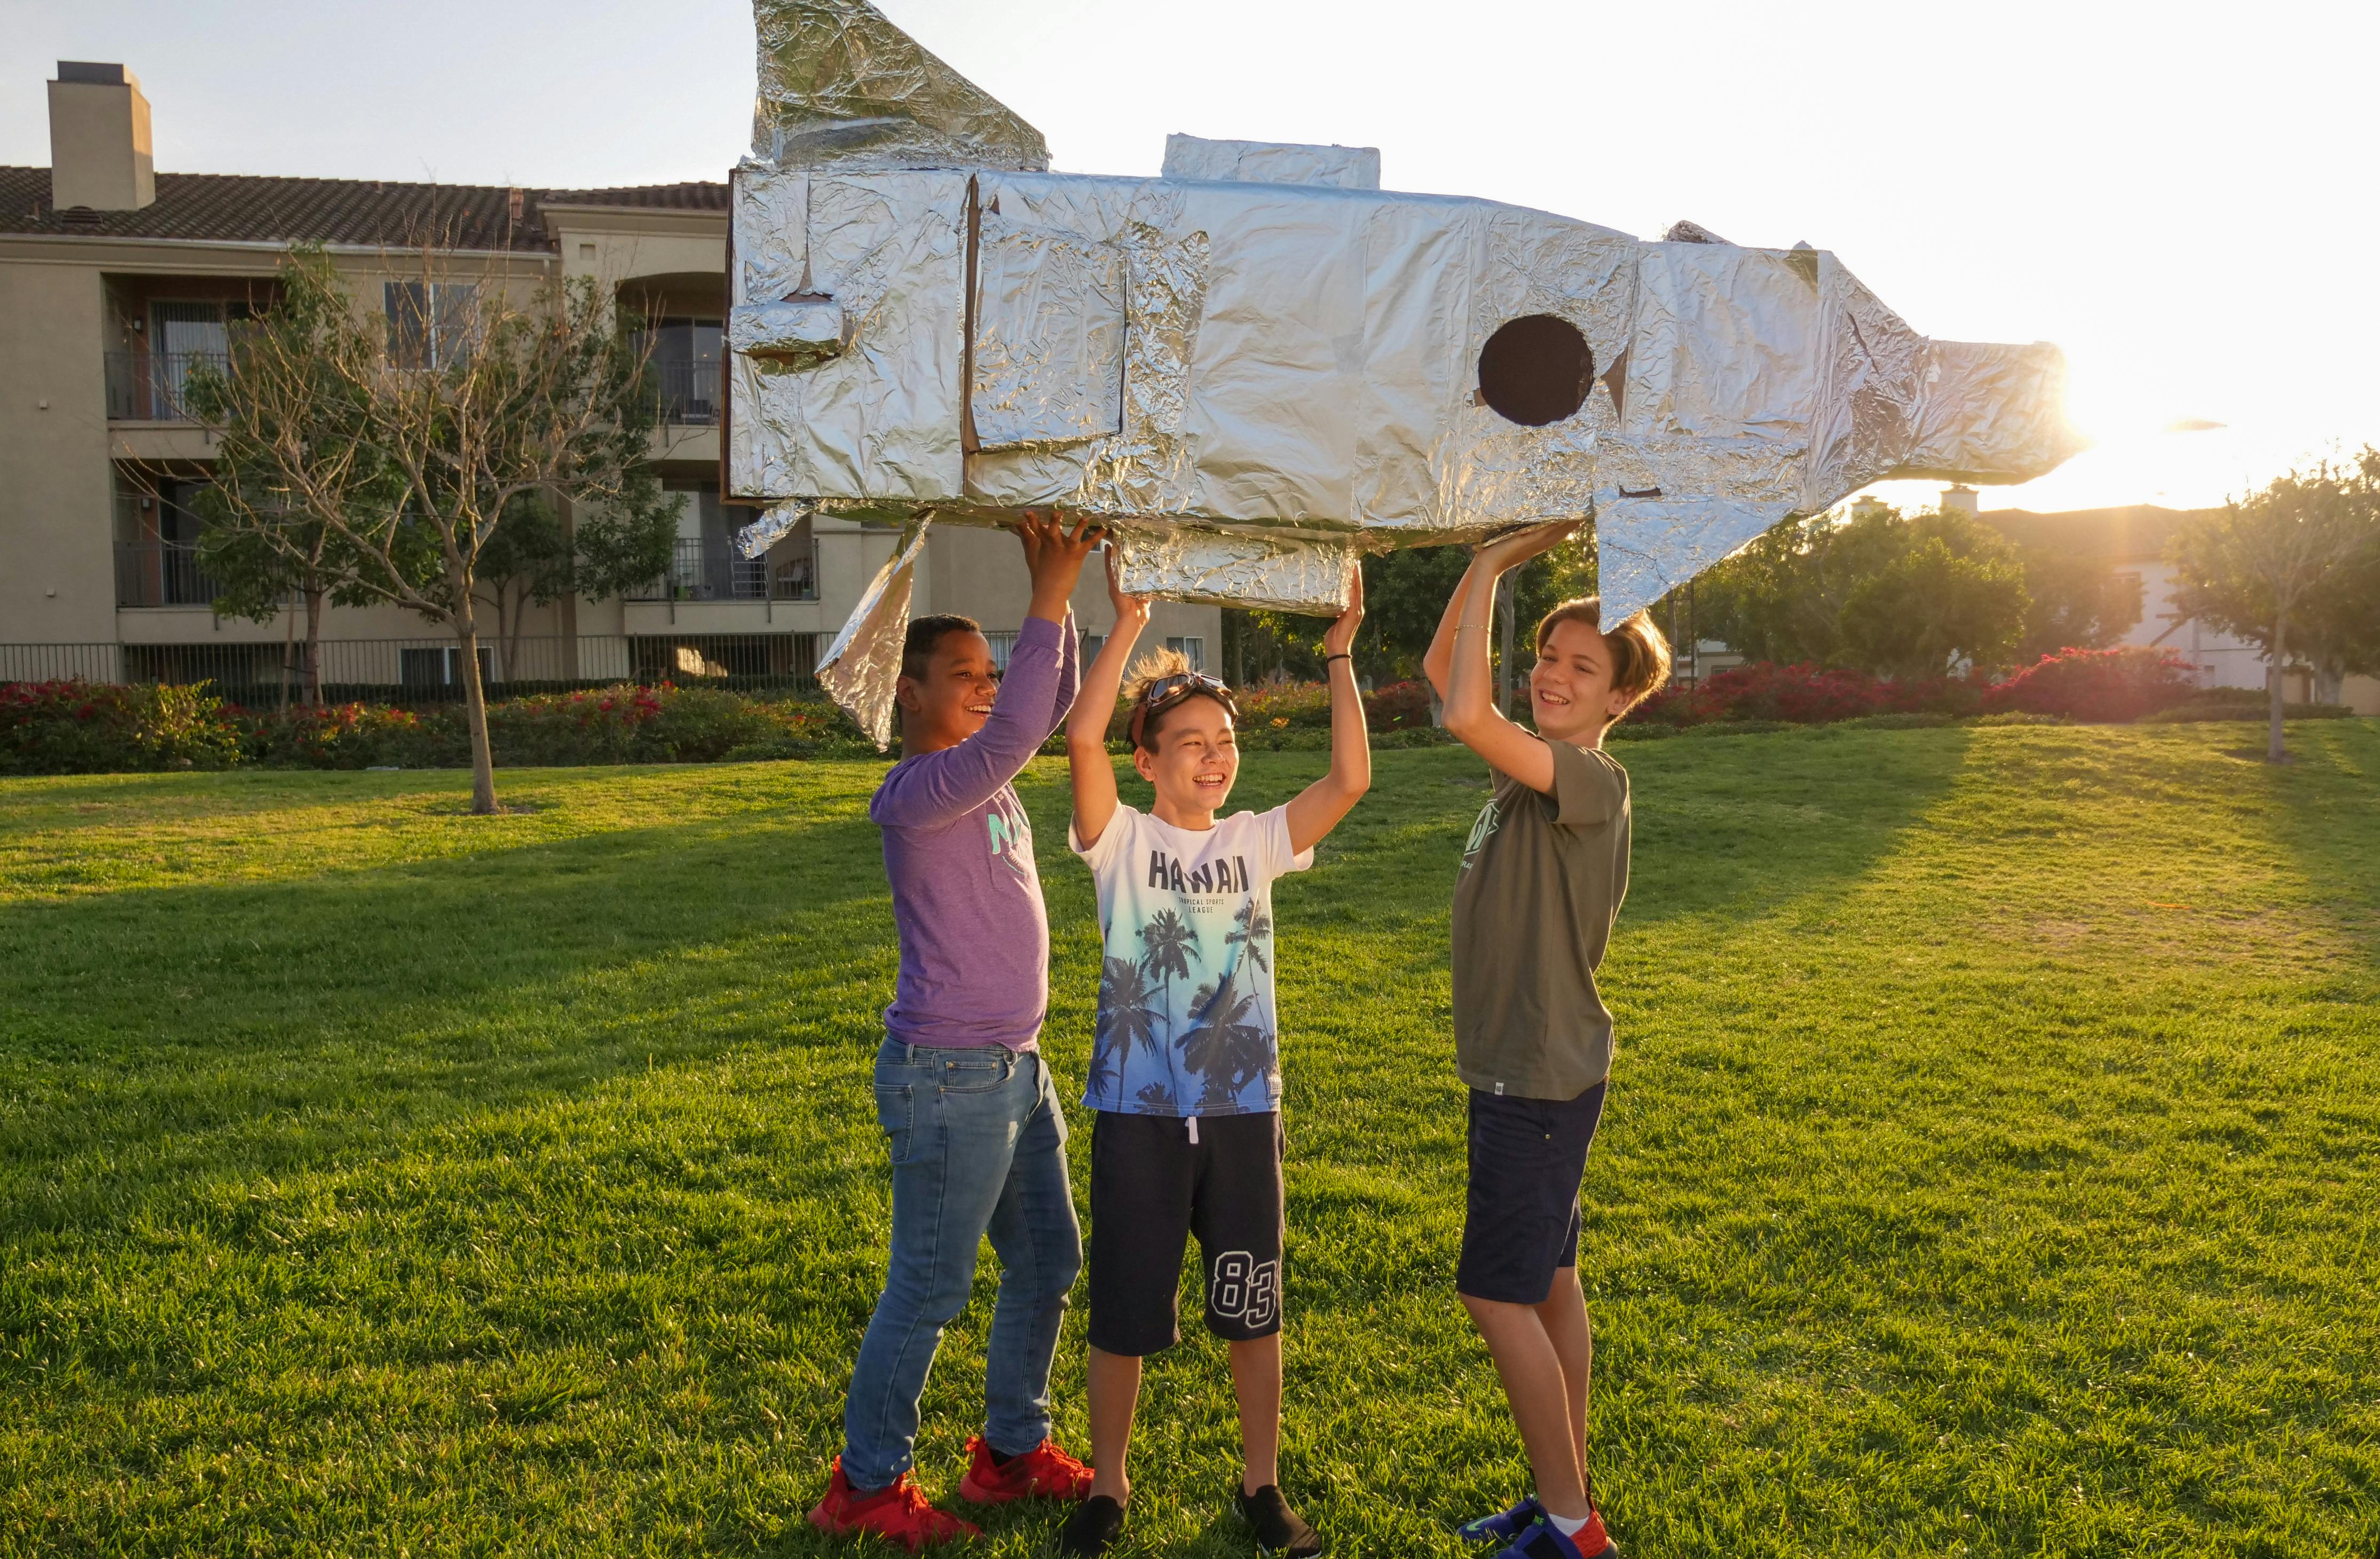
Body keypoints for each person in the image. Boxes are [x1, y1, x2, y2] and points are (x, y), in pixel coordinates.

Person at [1051, 556, 1370, 1557]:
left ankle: (1261, 1486)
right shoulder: (1120, 842)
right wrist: (1126, 625)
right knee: (1124, 1309)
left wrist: (1339, 652)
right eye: (1187, 743)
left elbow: (1351, 778)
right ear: (1146, 759)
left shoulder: (1258, 838)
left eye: (1223, 742)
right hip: (1137, 1112)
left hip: (1241, 1111)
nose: (1212, 757)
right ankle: (1108, 1487)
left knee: (1251, 1302)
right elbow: (1077, 734)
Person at [809, 513, 1109, 1550]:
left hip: (1016, 1071)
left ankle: (1010, 1451)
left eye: (992, 670)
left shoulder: (985, 772)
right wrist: (1050, 596)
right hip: (951, 1078)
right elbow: (1023, 726)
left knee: (1048, 1259)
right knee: (929, 1285)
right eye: (965, 672)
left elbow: (1047, 706)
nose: (987, 685)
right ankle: (866, 1483)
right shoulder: (919, 791)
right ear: (911, 690)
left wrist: (1051, 598)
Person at [1420, 522, 1671, 1559]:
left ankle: (1574, 1527)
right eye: (1547, 657)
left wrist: (1491, 563)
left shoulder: (1591, 781)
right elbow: (1449, 675)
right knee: (1551, 1279)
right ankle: (1561, 1489)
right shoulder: (1527, 775)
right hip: (1534, 1070)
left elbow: (1465, 704)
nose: (1554, 675)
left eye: (1582, 666)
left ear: (1620, 698)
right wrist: (1489, 577)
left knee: (1494, 1287)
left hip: (1538, 1075)